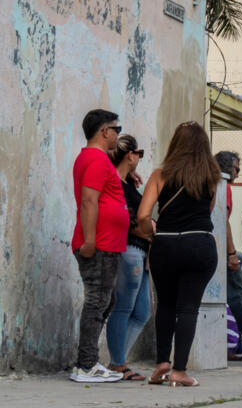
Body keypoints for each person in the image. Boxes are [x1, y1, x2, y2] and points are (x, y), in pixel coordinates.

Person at [136, 122, 222, 387]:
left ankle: (162, 363)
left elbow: (142, 215)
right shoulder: (211, 176)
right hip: (199, 245)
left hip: (166, 245)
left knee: (166, 304)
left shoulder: (160, 175)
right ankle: (179, 371)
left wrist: (151, 233)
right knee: (188, 308)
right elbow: (207, 212)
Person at [70, 109, 129, 383]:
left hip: (107, 244)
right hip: (99, 244)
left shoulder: (98, 160)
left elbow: (103, 193)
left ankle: (88, 362)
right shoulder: (95, 159)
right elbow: (89, 201)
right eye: (116, 128)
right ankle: (86, 365)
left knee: (105, 301)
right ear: (104, 130)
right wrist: (90, 241)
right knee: (97, 302)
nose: (118, 134)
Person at [104, 135, 150, 381]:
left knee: (142, 311)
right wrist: (151, 229)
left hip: (141, 252)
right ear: (130, 155)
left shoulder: (128, 184)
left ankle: (119, 361)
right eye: (139, 153)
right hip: (130, 249)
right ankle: (117, 364)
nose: (139, 158)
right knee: (123, 307)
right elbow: (130, 222)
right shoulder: (116, 184)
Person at [217, 150, 242, 360]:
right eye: (237, 170)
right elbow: (223, 220)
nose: (238, 174)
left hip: (205, 247)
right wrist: (232, 253)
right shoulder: (224, 187)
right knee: (240, 295)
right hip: (220, 250)